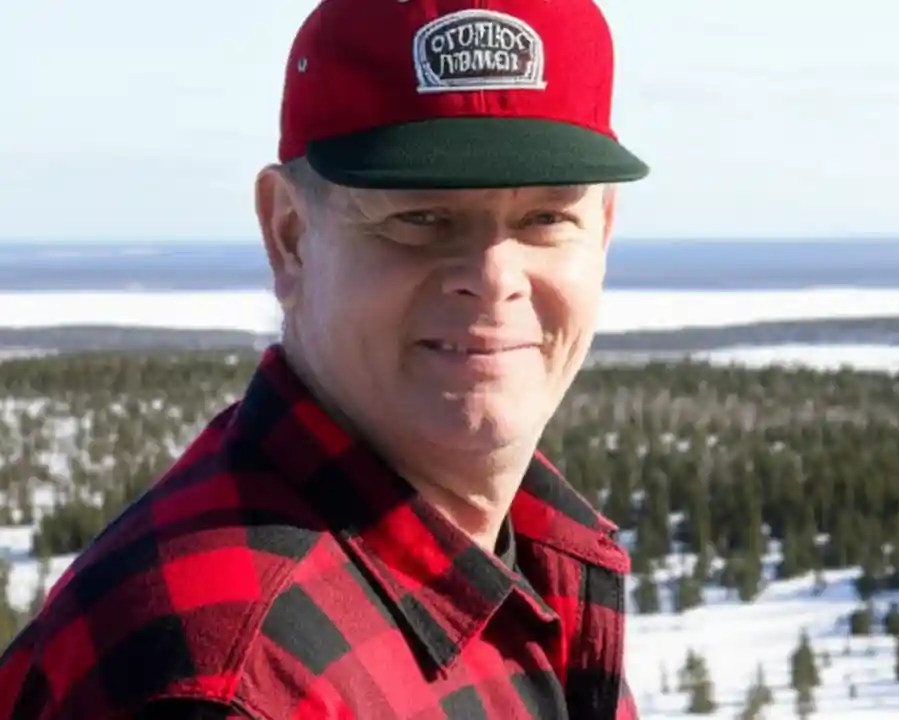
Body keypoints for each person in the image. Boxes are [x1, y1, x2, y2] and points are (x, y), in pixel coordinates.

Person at [0, 0, 648, 716]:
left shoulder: (528, 566)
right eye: (421, 218)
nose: (495, 276)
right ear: (289, 236)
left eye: (547, 219)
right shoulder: (228, 684)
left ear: (604, 231)